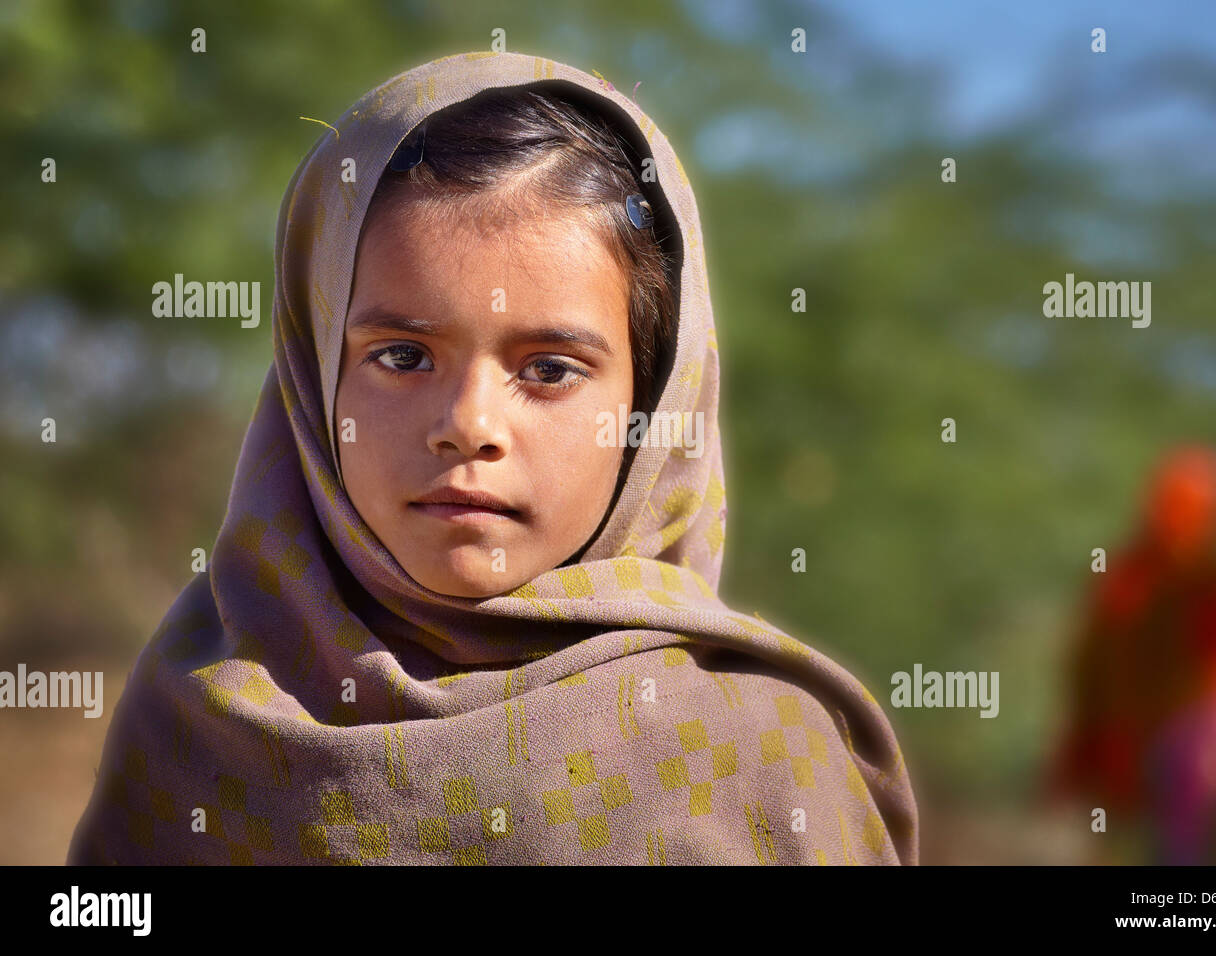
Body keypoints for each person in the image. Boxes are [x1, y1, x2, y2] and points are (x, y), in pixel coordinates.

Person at [66, 51, 918, 865]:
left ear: (652, 401)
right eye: (401, 357)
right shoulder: (206, 702)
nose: (468, 425)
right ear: (314, 370)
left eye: (549, 370)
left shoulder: (760, 752)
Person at [1046, 445, 1216, 864]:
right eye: (1174, 507)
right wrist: (1078, 757)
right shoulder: (1125, 580)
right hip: (1135, 748)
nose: (1182, 522)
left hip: (1207, 743)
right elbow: (1090, 670)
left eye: (1197, 510)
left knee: (1199, 763)